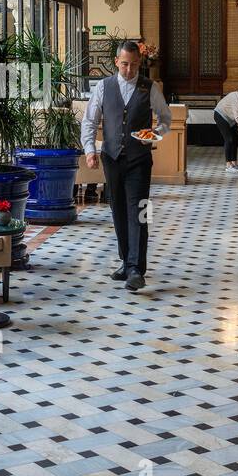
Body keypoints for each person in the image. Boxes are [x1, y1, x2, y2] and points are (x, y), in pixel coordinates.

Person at [81, 40, 173, 291]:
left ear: (139, 63)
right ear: (116, 62)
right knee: (118, 211)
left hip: (140, 161)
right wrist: (90, 150)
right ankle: (125, 261)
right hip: (112, 159)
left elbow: (166, 119)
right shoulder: (103, 86)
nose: (129, 70)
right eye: (124, 64)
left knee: (140, 212)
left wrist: (153, 135)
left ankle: (136, 269)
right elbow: (89, 122)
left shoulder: (149, 88)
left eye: (133, 65)